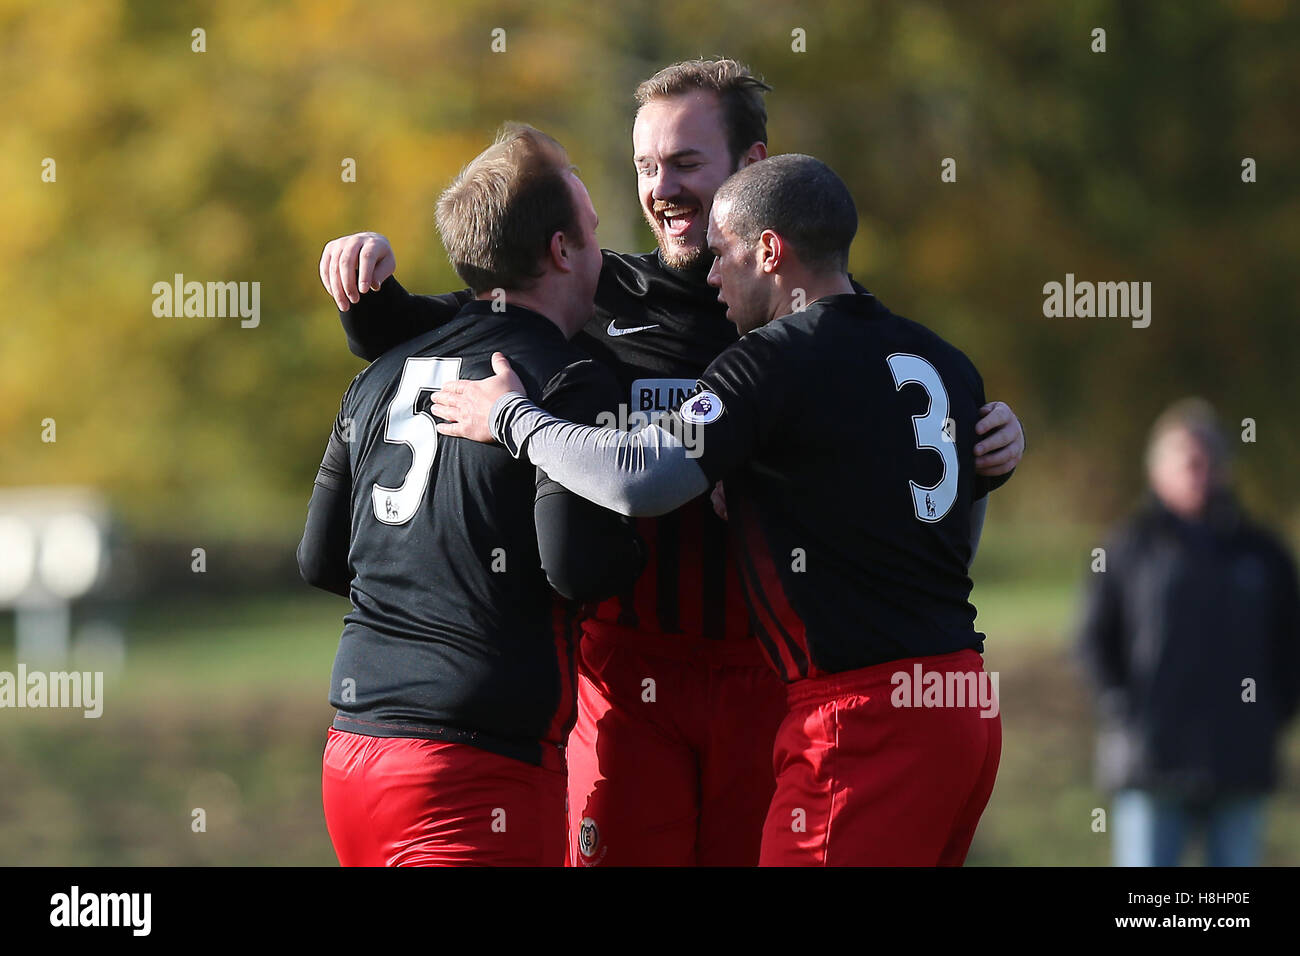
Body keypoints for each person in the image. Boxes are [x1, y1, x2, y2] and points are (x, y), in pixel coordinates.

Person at [318, 58, 1026, 866]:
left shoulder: (800, 322)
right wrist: (365, 281)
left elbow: (900, 447)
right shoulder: (587, 293)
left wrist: (991, 447)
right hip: (627, 683)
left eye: (686, 163)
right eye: (647, 167)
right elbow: (441, 334)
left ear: (752, 170)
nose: (662, 188)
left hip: (774, 681)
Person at [297, 124, 644, 866]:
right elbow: (581, 568)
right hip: (470, 768)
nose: (601, 254)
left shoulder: (384, 369)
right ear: (559, 250)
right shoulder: (566, 377)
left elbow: (320, 559)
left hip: (353, 753)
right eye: (590, 233)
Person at [1078, 398, 1299, 867]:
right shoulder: (1127, 547)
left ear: (1225, 469)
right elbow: (1092, 640)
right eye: (1186, 461)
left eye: (1208, 461)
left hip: (1240, 764)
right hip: (1150, 764)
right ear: (1157, 470)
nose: (1198, 472)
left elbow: (1290, 644)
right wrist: (1125, 709)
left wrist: (1271, 714)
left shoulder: (1263, 553)